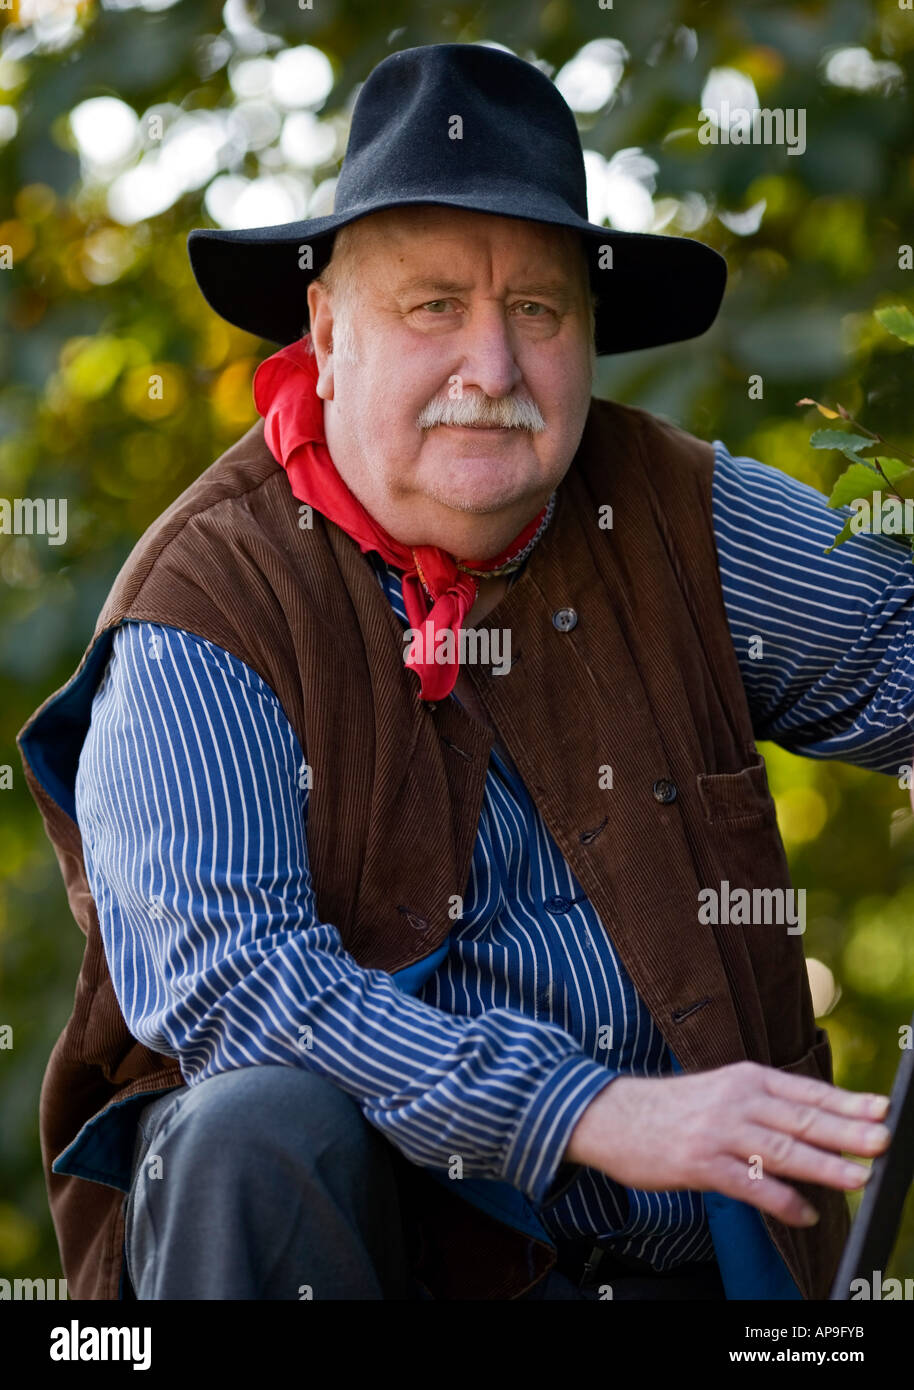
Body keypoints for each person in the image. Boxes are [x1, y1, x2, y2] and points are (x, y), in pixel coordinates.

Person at [18, 43, 910, 1303]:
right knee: (251, 1126)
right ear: (326, 331)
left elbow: (901, 640)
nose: (491, 370)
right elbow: (237, 983)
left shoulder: (671, 511)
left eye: (535, 310)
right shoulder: (206, 603)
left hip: (686, 1276)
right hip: (350, 1274)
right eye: (433, 305)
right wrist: (587, 1110)